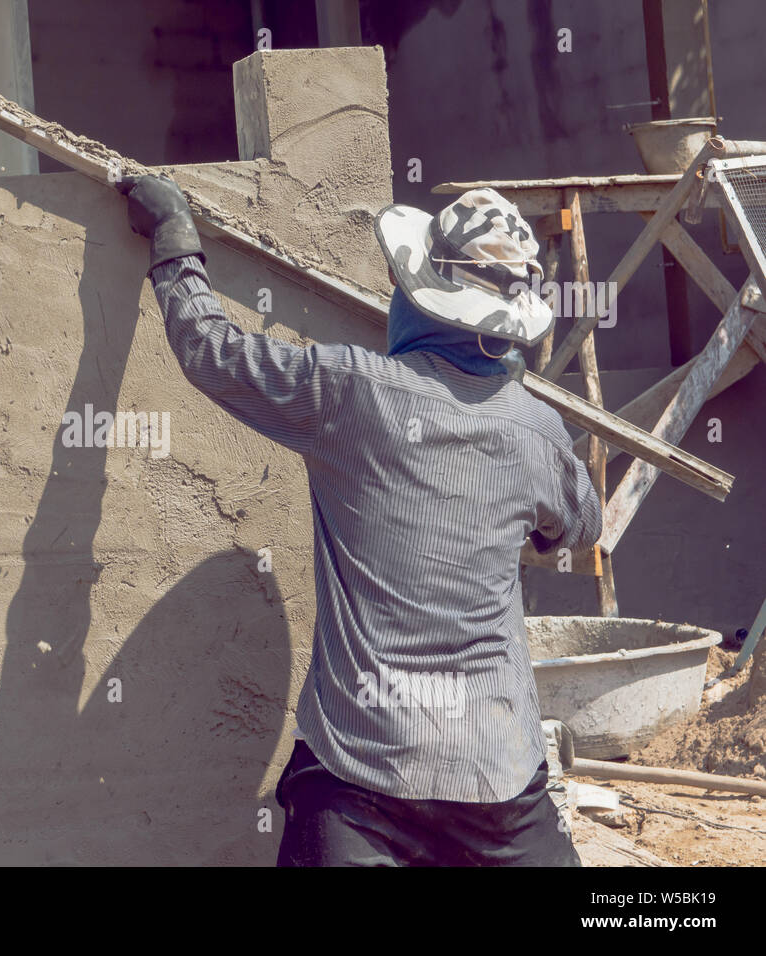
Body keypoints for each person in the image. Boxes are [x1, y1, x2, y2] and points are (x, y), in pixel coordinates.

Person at [116, 174, 601, 866]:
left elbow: (209, 347)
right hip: (497, 785)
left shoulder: (346, 392)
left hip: (362, 781)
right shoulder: (538, 432)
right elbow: (580, 529)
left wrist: (174, 236)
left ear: (421, 296)